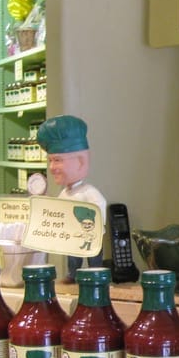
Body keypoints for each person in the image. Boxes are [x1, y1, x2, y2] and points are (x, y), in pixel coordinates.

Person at [36, 115, 107, 282]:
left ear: (81, 162)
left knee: (93, 254)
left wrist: (92, 226)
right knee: (73, 255)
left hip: (90, 235)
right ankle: (72, 274)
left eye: (58, 160)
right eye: (51, 161)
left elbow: (100, 205)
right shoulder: (64, 194)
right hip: (72, 237)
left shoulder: (89, 192)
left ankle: (95, 273)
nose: (52, 168)